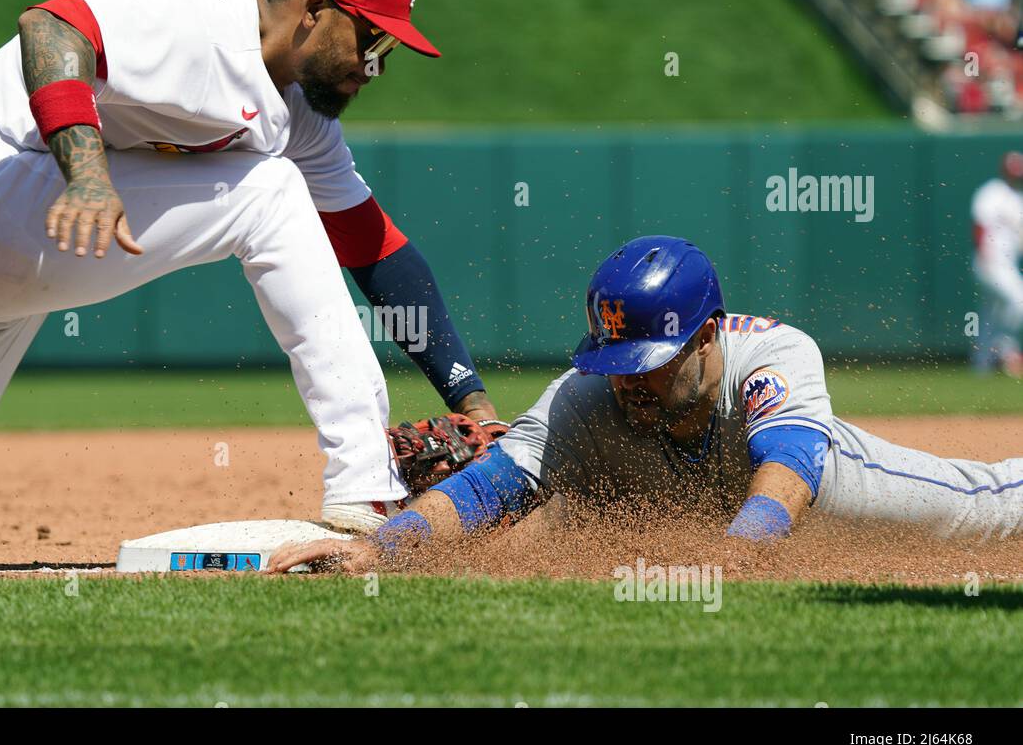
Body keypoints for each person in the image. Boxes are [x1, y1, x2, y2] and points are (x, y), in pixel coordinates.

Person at [0, 0, 503, 564]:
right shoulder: (191, 24)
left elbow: (373, 249)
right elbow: (49, 25)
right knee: (270, 193)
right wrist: (88, 172)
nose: (375, 68)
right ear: (316, 8)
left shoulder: (302, 120)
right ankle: (364, 491)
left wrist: (472, 401)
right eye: (373, 41)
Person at [269, 236, 1023, 573]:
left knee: (986, 512)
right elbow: (494, 484)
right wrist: (382, 546)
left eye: (648, 364)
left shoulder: (773, 352)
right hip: (759, 526)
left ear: (706, 337)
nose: (627, 380)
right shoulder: (588, 394)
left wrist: (738, 552)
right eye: (615, 362)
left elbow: (792, 464)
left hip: (848, 496)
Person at [969, 151, 1023, 377]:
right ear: (1004, 170)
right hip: (990, 261)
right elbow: (980, 225)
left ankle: (981, 364)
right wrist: (983, 255)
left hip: (1007, 264)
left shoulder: (1018, 198)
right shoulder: (992, 192)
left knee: (990, 314)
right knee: (1019, 299)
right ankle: (1005, 347)